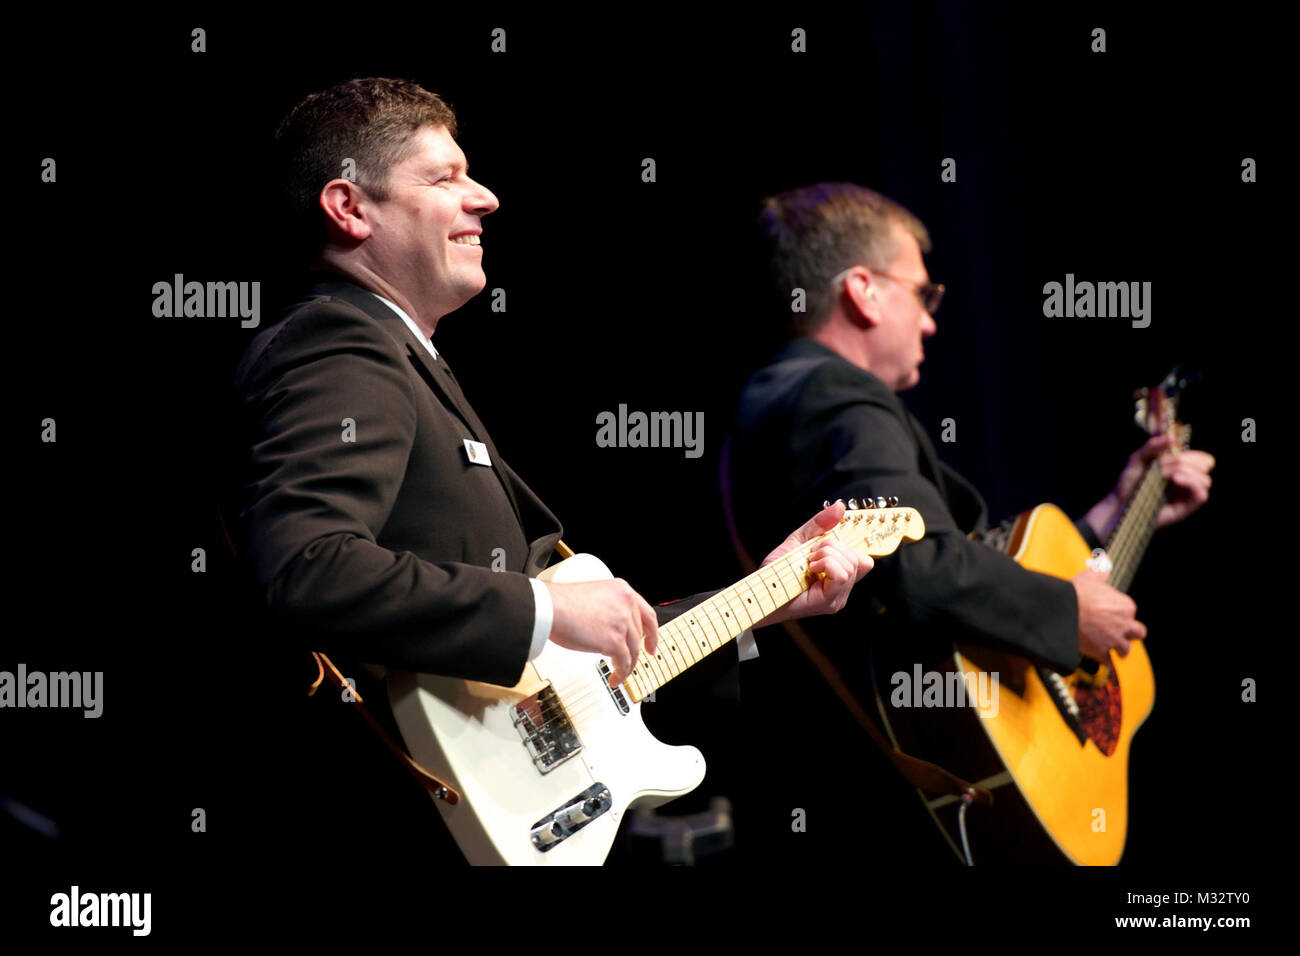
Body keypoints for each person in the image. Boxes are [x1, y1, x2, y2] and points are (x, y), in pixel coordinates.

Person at [227, 80, 874, 864]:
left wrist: (767, 598)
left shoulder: (400, 356)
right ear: (350, 207)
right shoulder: (340, 342)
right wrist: (542, 608)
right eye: (444, 178)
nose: (486, 198)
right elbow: (307, 571)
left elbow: (582, 668)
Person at [723, 182, 1214, 863]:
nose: (931, 321)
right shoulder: (834, 394)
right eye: (923, 294)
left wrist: (1115, 515)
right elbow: (914, 561)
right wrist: (1066, 610)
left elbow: (951, 559)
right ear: (863, 291)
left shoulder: (790, 394)